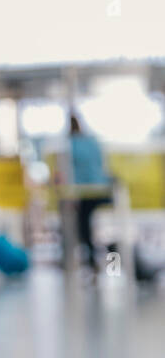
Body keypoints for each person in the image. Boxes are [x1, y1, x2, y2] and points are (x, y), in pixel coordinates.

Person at [69, 114, 110, 272]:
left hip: (84, 192)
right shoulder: (92, 142)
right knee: (88, 226)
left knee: (83, 227)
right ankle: (99, 256)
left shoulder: (71, 145)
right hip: (100, 189)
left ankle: (95, 259)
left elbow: (73, 172)